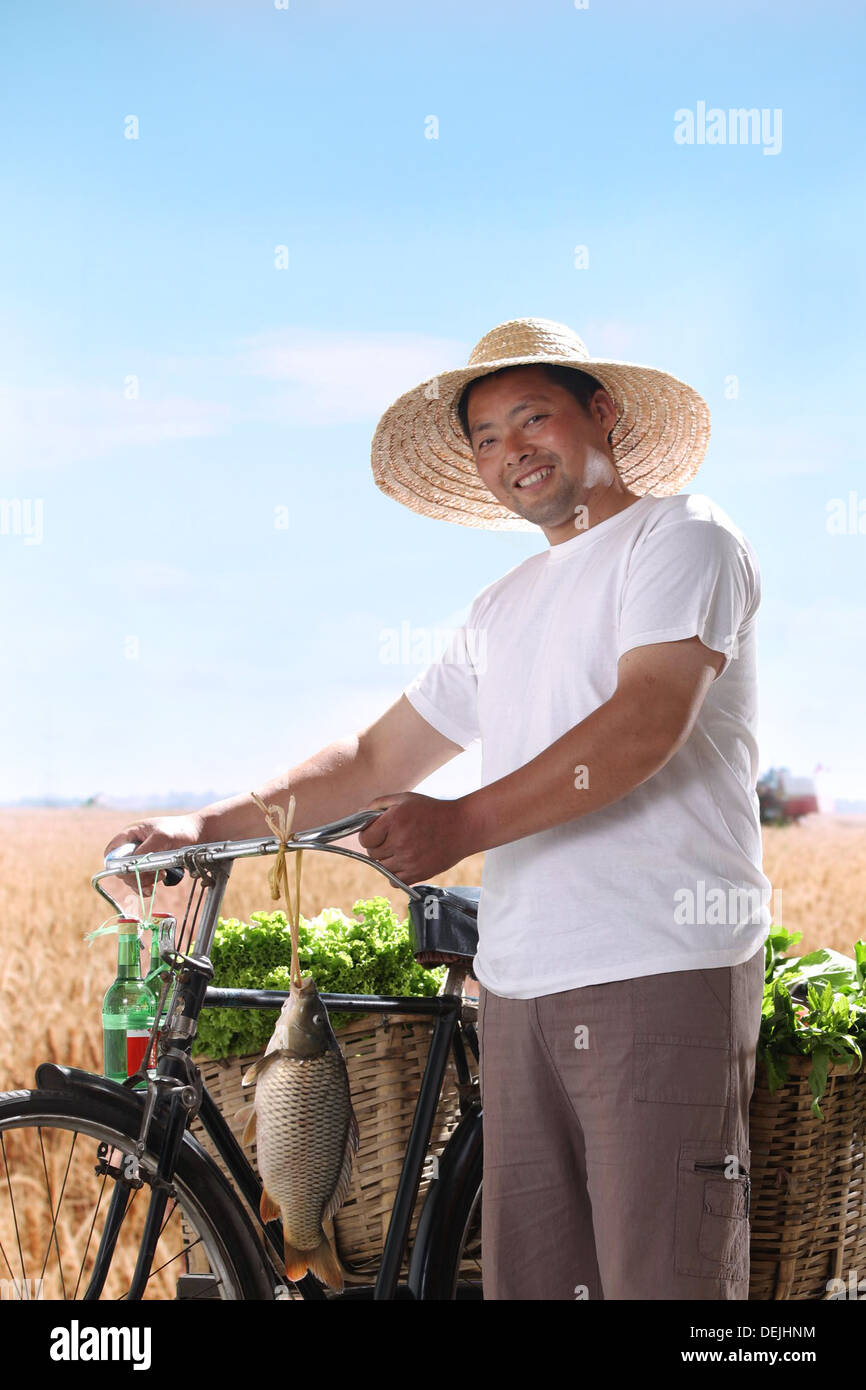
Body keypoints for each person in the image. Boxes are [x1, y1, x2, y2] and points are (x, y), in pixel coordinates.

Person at [105, 316, 770, 1300]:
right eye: (487, 437)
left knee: (664, 1281)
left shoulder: (681, 536)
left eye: (531, 417)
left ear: (603, 414)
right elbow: (374, 756)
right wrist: (206, 829)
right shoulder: (497, 610)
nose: (511, 452)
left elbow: (639, 725)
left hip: (659, 964)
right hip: (517, 986)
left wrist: (458, 823)